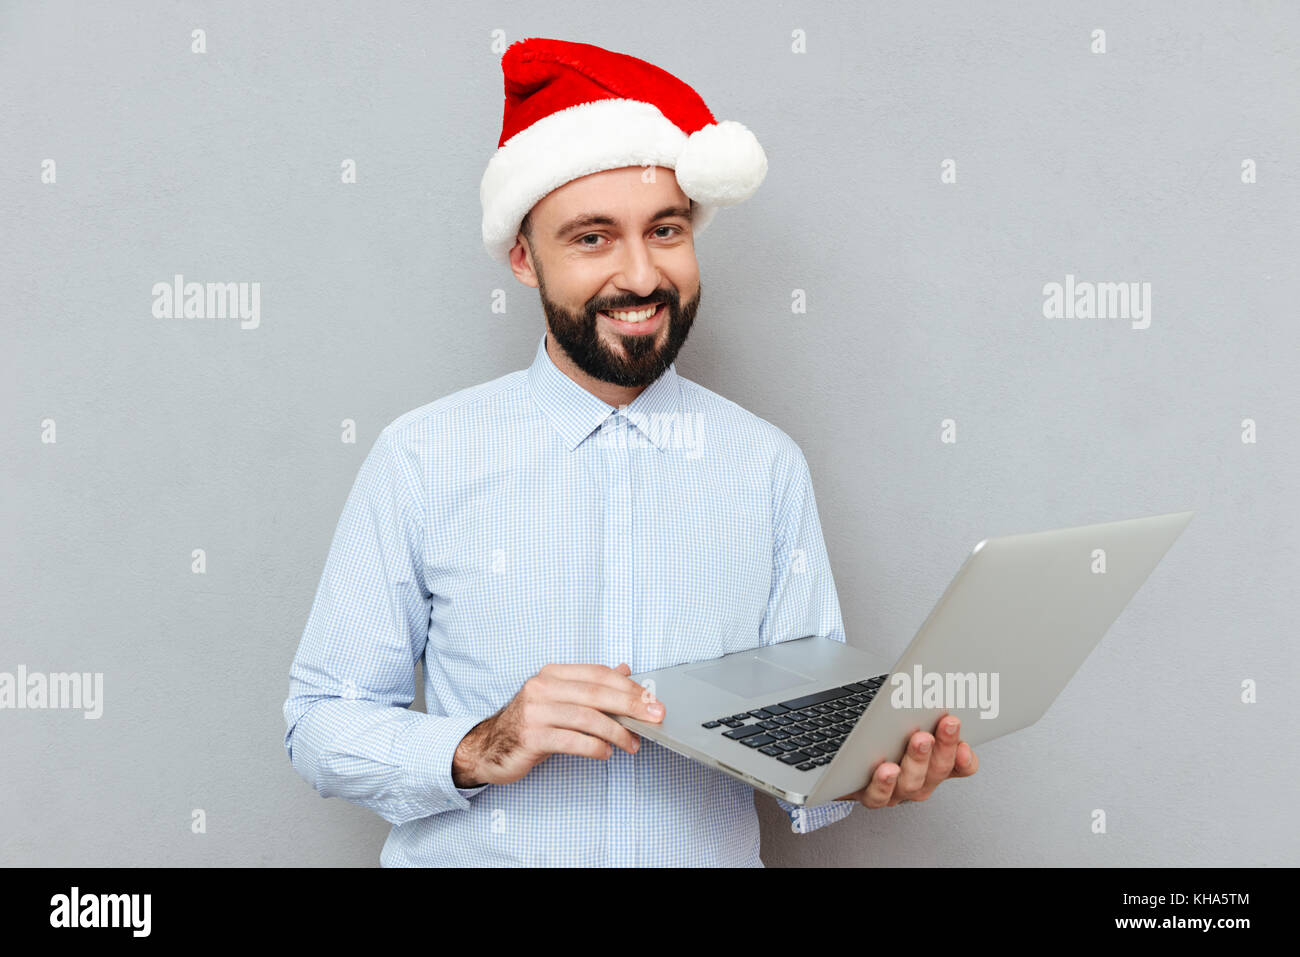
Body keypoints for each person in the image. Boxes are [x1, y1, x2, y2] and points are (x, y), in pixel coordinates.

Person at [282, 37, 977, 867]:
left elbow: (803, 742)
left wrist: (871, 767)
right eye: (592, 238)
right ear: (522, 256)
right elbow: (321, 720)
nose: (641, 274)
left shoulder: (765, 466)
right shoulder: (422, 458)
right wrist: (477, 744)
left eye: (667, 229)